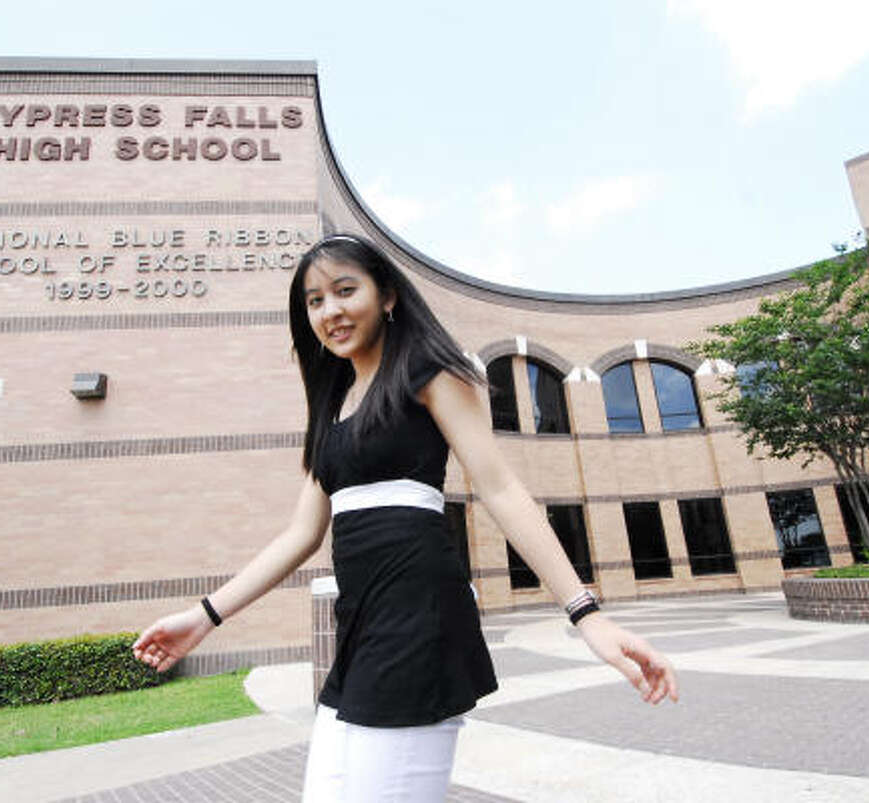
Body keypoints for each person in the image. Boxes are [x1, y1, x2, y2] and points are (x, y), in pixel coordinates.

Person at [132, 233, 679, 801]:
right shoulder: (330, 404)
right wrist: (204, 616)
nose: (330, 311)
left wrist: (586, 615)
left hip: (417, 621)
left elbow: (500, 488)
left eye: (346, 291)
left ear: (387, 295)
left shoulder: (427, 372)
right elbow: (300, 534)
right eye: (315, 301)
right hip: (360, 630)